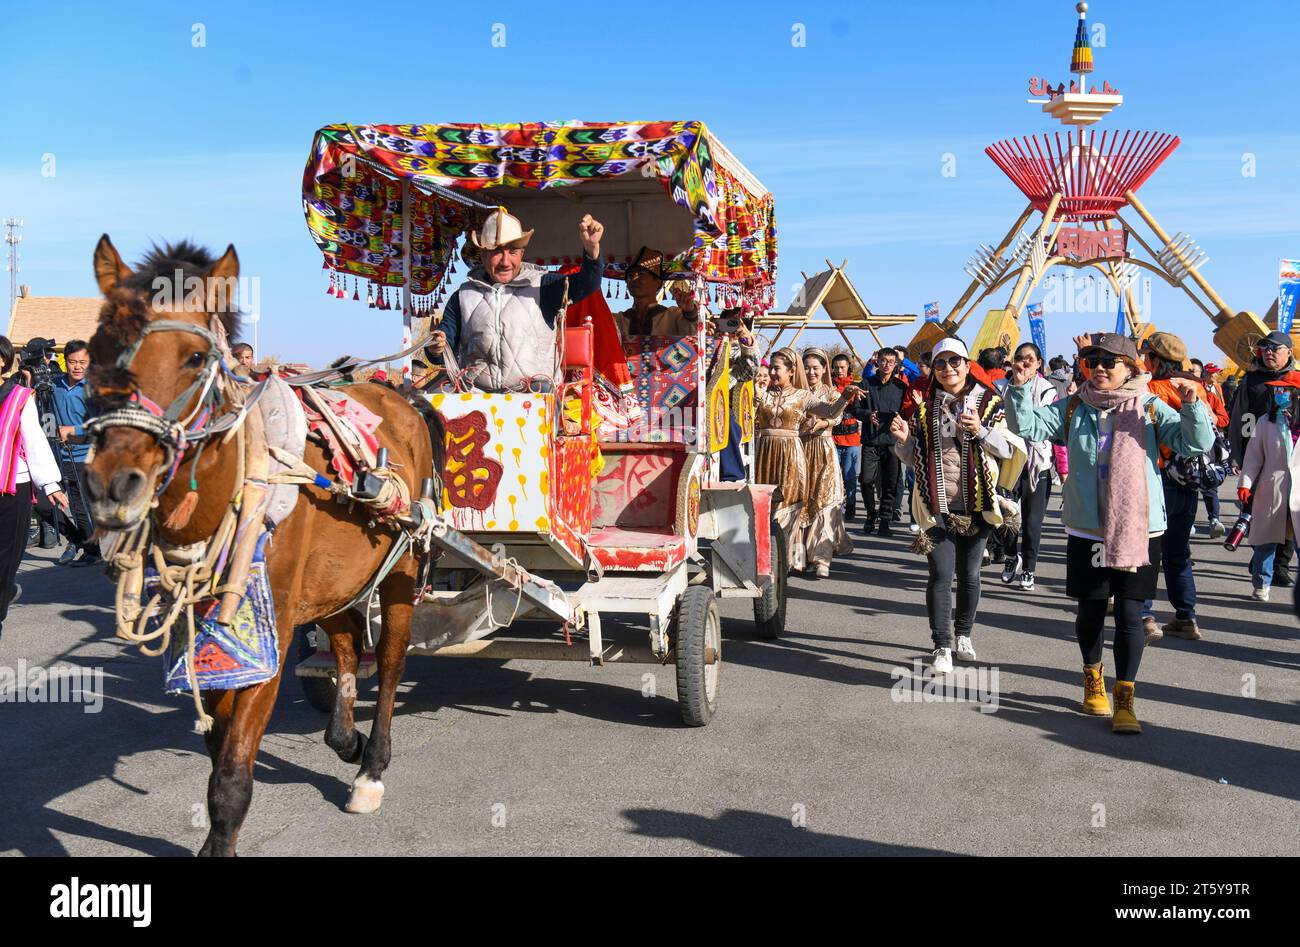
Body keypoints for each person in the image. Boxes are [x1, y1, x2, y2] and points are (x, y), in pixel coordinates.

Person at [1006, 332, 1214, 735]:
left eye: (1109, 362)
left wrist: (1192, 404)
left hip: (1139, 526)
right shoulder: (1073, 407)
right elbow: (1026, 424)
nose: (1099, 368)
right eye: (1092, 360)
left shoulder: (1150, 407)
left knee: (1132, 614)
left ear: (1131, 368)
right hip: (1087, 528)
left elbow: (1195, 443)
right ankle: (1093, 679)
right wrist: (1018, 385)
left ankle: (1126, 696)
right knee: (1091, 608)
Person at [889, 337, 1016, 673]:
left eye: (954, 362)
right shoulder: (923, 406)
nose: (948, 369)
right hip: (935, 503)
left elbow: (1007, 449)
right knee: (941, 574)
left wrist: (983, 431)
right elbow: (911, 457)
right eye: (941, 363)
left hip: (979, 502)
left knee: (970, 575)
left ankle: (963, 634)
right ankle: (941, 644)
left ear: (966, 363)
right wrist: (903, 442)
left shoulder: (989, 401)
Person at [425, 208, 604, 392]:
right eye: (497, 251)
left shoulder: (543, 286)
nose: (505, 261)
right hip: (476, 397)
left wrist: (592, 251)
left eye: (512, 252)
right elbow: (442, 351)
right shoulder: (462, 297)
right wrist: (436, 347)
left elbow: (587, 283)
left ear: (522, 254)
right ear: (483, 255)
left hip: (535, 395)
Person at [1134, 332, 1229, 642]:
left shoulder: (1151, 390)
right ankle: (1186, 617)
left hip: (1157, 477)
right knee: (1178, 552)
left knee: (1147, 551)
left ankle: (1146, 615)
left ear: (1156, 361)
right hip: (1189, 480)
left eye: (1148, 356)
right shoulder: (1199, 388)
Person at [754, 348, 861, 571]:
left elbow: (831, 412)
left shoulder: (803, 396)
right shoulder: (763, 393)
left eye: (777, 368)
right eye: (770, 368)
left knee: (792, 507)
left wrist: (845, 397)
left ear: (792, 371)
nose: (772, 372)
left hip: (793, 454)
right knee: (765, 507)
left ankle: (791, 560)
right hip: (764, 454)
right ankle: (772, 558)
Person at [0, 337, 70, 638]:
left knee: (7, 556)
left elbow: (34, 439)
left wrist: (51, 483)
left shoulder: (19, 397)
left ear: (3, 361)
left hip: (13, 485)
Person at [1228, 331, 1297, 587]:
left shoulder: (1297, 380)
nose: (1268, 352)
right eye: (1265, 348)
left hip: (1291, 458)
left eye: (1274, 348)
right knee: (1259, 512)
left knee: (1291, 514)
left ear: (1288, 352)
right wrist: (1238, 455)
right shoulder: (1251, 381)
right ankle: (1261, 557)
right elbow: (1239, 417)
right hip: (1257, 455)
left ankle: (1280, 565)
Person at [1236, 371, 1300, 601]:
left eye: (1284, 389)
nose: (1278, 393)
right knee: (1266, 540)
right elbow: (1254, 456)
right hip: (1272, 487)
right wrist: (1245, 483)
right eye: (1277, 389)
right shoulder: (1266, 420)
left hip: (1298, 491)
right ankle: (1262, 584)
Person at [1002, 342, 1057, 590]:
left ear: (1038, 364)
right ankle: (1011, 557)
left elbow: (1042, 424)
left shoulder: (1047, 390)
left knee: (1033, 522)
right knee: (1007, 516)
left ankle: (1029, 569)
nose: (1024, 363)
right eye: (1020, 358)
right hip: (1008, 462)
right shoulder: (1000, 387)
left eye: (1030, 359)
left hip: (1037, 463)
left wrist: (1063, 469)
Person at [796, 348, 855, 576]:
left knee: (824, 501)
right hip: (799, 450)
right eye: (807, 367)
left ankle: (822, 558)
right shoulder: (796, 392)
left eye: (816, 368)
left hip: (823, 449)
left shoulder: (831, 393)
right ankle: (797, 555)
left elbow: (836, 416)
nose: (811, 372)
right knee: (800, 501)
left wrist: (822, 424)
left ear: (823, 370)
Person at [51, 340, 100, 567]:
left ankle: (92, 552)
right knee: (42, 504)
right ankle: (77, 539)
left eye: (82, 362)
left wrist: (75, 430)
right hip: (56, 456)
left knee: (81, 506)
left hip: (84, 456)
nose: (77, 367)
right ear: (65, 361)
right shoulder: (54, 384)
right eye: (72, 362)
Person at [856, 346, 908, 537]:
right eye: (883, 361)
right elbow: (854, 409)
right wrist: (868, 415)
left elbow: (906, 413)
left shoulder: (901, 387)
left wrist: (900, 421)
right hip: (870, 440)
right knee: (866, 479)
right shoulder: (865, 384)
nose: (886, 365)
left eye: (891, 362)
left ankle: (885, 520)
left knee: (890, 483)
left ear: (896, 364)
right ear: (877, 361)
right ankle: (871, 515)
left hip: (892, 442)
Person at [613, 248, 700, 339]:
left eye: (641, 274)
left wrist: (690, 312)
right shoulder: (618, 320)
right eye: (630, 275)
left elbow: (692, 335)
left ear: (658, 283)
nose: (634, 278)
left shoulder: (673, 316)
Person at [1190, 358, 1228, 537]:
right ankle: (1188, 523)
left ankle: (1214, 519)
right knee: (1186, 486)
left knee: (1209, 483)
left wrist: (1212, 417)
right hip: (1184, 448)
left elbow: (1224, 419)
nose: (1216, 375)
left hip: (1208, 446)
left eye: (1194, 372)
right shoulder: (1171, 393)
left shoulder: (1212, 395)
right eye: (1213, 373)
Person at [829, 353, 861, 520]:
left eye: (842, 367)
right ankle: (836, 505)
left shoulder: (856, 386)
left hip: (851, 439)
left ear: (848, 367)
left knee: (849, 476)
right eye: (836, 367)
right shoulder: (829, 386)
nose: (839, 370)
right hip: (832, 437)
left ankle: (851, 505)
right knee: (834, 476)